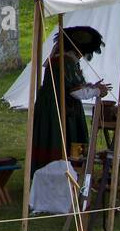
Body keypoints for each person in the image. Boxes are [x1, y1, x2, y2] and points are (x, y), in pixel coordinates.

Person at [31, 25, 109, 172]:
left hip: (56, 106)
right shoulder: (65, 61)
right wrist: (97, 91)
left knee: (58, 139)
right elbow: (75, 91)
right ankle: (61, 172)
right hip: (57, 108)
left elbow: (71, 85)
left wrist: (91, 87)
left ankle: (60, 171)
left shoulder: (63, 59)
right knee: (59, 139)